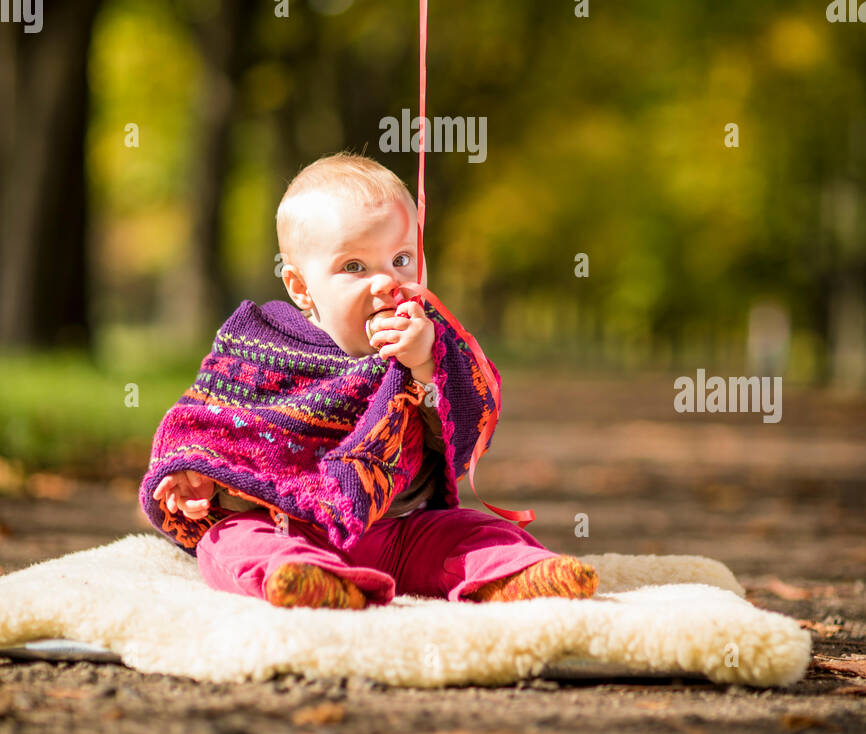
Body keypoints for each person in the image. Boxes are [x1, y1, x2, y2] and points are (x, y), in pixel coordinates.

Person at [139, 151, 598, 610]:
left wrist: (426, 365)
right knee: (228, 540)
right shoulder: (261, 344)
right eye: (355, 267)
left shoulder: (427, 341)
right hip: (287, 523)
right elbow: (209, 424)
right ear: (301, 287)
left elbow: (470, 422)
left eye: (401, 259)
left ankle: (515, 573)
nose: (387, 283)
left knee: (475, 532)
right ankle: (302, 576)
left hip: (401, 531)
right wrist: (196, 473)